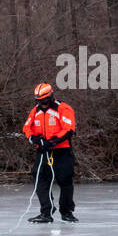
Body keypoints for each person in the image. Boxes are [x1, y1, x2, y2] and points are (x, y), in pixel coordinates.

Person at [22, 82, 78, 223]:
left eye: (44, 101)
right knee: (39, 179)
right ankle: (46, 211)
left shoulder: (63, 109)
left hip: (62, 152)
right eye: (39, 101)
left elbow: (69, 129)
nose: (42, 104)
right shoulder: (35, 111)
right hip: (43, 152)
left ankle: (66, 212)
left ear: (51, 97)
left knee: (65, 181)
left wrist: (54, 141)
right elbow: (27, 128)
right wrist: (34, 139)